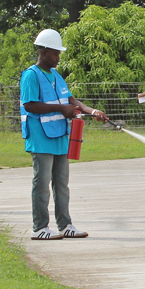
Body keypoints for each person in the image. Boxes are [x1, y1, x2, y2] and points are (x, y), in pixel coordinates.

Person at [19, 29, 109, 240]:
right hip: (40, 137)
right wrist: (59, 110)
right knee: (41, 184)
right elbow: (30, 105)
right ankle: (40, 228)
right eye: (55, 53)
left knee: (61, 183)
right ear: (43, 51)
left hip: (59, 135)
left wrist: (91, 111)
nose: (58, 58)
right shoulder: (31, 75)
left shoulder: (57, 76)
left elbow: (71, 101)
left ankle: (65, 225)